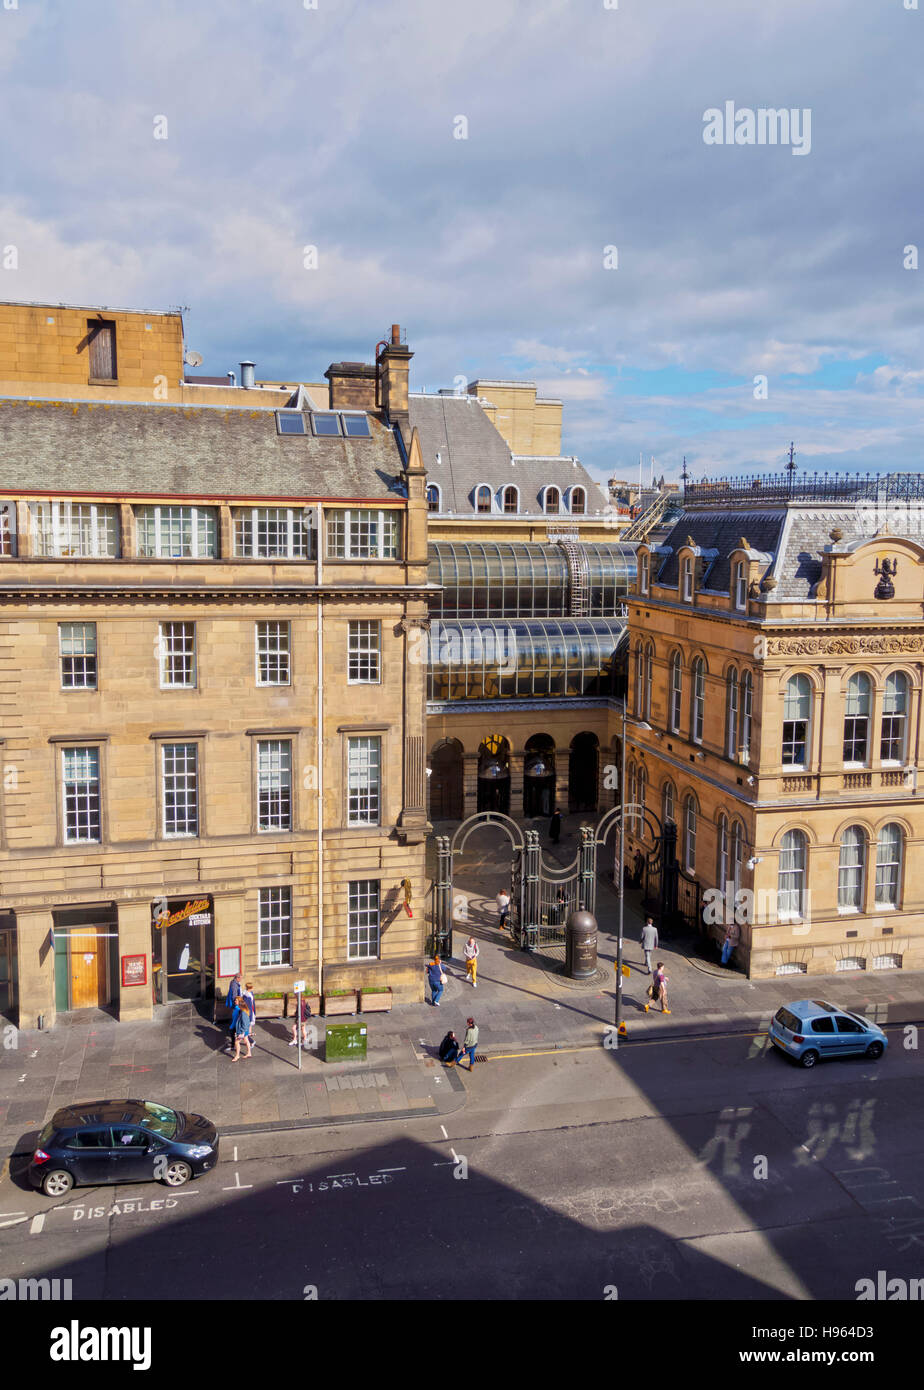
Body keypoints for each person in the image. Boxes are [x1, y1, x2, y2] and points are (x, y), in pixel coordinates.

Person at [242, 980, 256, 1045]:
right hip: (249, 1013)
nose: (253, 988)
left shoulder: (251, 993)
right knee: (247, 1026)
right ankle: (250, 1041)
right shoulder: (246, 996)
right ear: (250, 988)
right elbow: (247, 1007)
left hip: (251, 1011)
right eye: (252, 987)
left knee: (250, 1025)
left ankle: (249, 1038)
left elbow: (253, 1003)